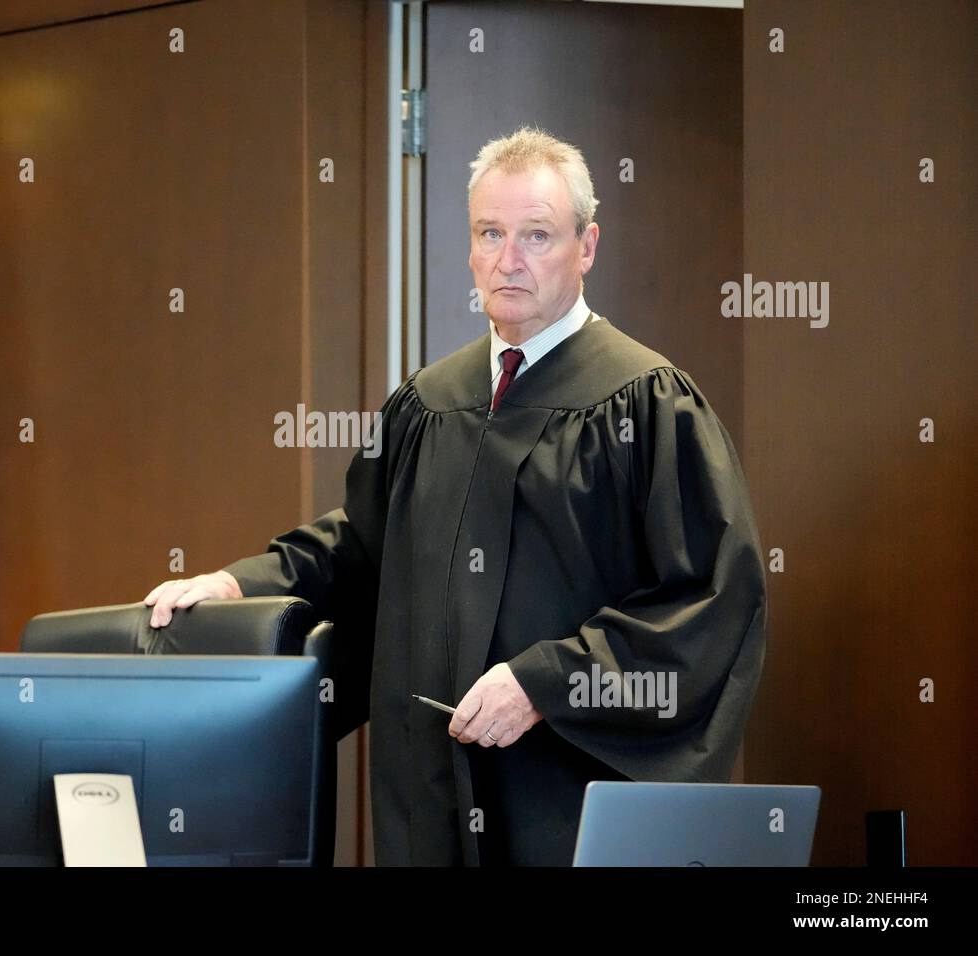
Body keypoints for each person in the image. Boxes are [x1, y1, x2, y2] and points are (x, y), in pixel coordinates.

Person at [143, 125, 767, 866]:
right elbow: (366, 548)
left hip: (561, 791)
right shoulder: (428, 403)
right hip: (428, 791)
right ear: (468, 247)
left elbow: (710, 600)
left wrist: (545, 683)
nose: (509, 261)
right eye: (489, 233)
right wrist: (235, 583)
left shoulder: (647, 404)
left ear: (587, 246)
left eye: (537, 236)